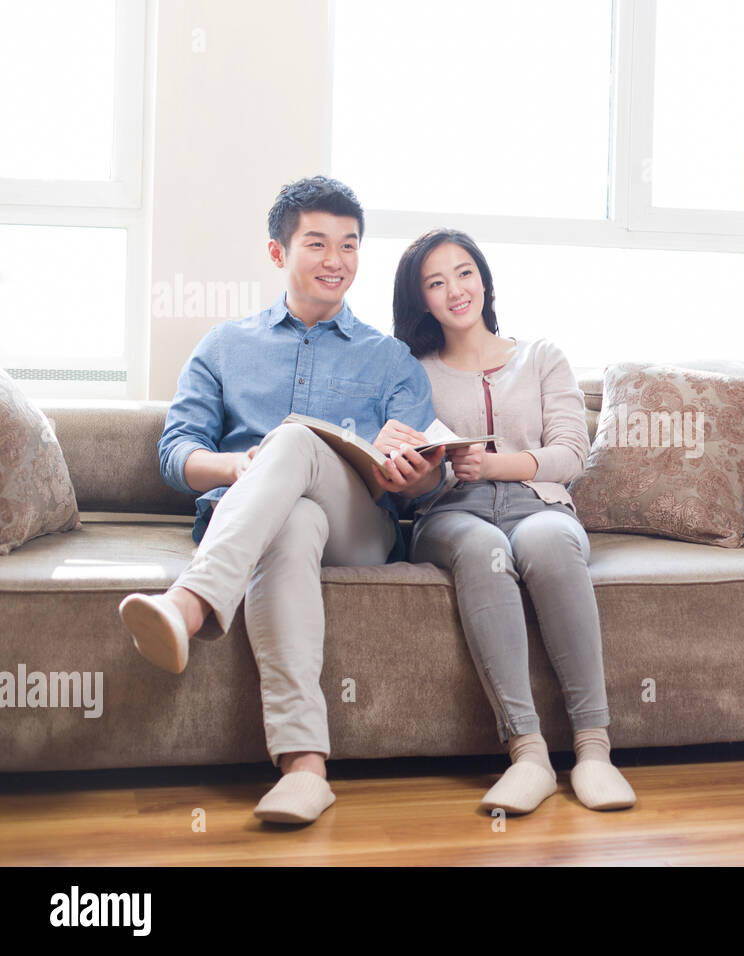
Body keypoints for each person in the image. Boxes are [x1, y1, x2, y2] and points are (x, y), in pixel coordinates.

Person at [117, 176, 447, 825]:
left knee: (293, 440)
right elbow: (175, 453)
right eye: (317, 243)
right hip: (263, 519)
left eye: (349, 245)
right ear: (278, 254)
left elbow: (426, 478)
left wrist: (413, 473)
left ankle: (188, 605)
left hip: (361, 528)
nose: (336, 260)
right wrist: (241, 466)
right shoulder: (223, 346)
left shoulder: (392, 359)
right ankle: (305, 768)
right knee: (292, 515)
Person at [391, 228, 636, 815]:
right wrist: (435, 471)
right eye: (436, 281)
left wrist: (497, 463)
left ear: (484, 279)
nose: (455, 289)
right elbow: (409, 486)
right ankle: (529, 755)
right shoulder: (411, 371)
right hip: (452, 513)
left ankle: (594, 749)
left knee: (550, 543)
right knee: (481, 550)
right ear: (420, 299)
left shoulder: (542, 356)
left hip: (540, 504)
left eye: (464, 272)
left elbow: (573, 453)